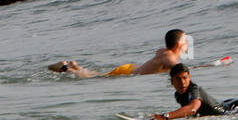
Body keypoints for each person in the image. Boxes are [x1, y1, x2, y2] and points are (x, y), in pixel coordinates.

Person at [49, 28, 206, 78]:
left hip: (130, 68)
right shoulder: (169, 56)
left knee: (96, 74)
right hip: (128, 72)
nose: (188, 44)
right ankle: (65, 68)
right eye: (186, 41)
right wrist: (202, 68)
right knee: (93, 78)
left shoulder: (165, 52)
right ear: (179, 44)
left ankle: (75, 66)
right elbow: (177, 67)